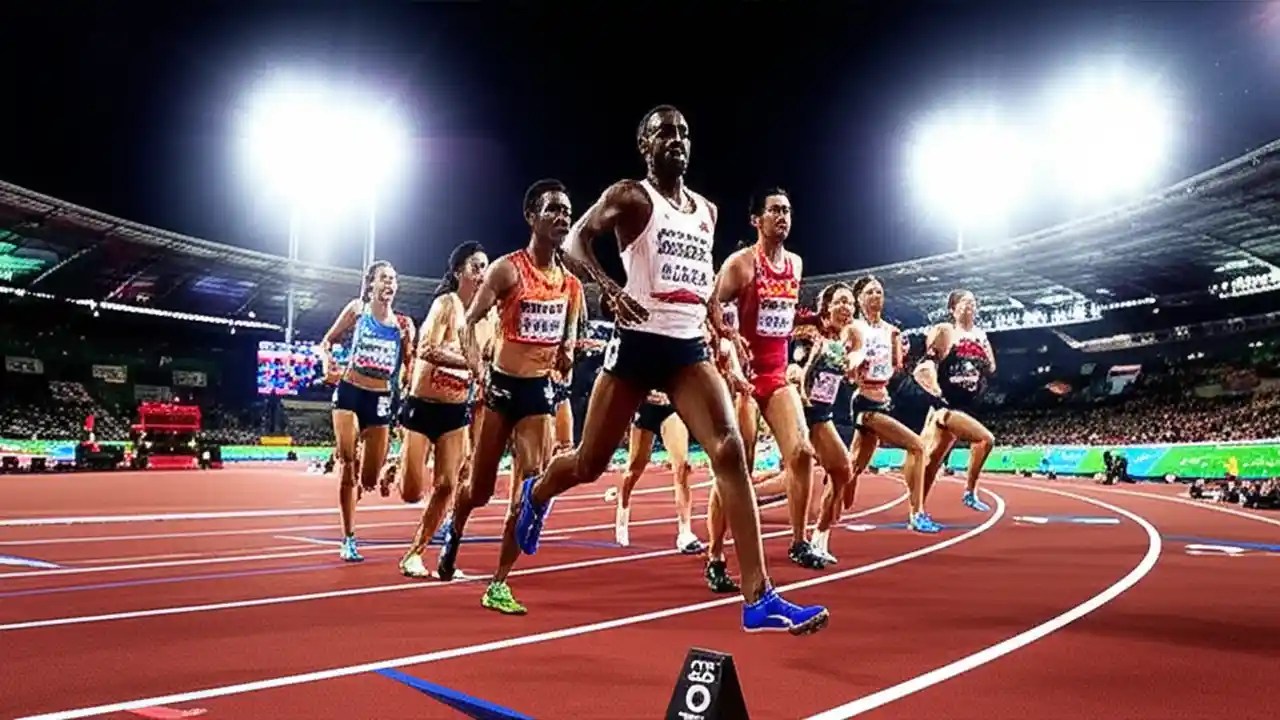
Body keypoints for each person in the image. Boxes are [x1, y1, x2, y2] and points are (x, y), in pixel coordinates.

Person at [512, 105, 828, 634]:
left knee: (729, 451)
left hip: (686, 350)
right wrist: (609, 289)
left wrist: (722, 333)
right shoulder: (631, 197)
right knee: (590, 462)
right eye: (664, 133)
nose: (676, 140)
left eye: (683, 132)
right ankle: (537, 492)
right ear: (645, 144)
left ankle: (759, 597)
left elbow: (702, 283)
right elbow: (574, 243)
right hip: (636, 346)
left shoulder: (706, 211)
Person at [437, 178, 584, 616]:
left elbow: (570, 343)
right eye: (553, 209)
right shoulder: (507, 269)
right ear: (531, 216)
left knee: (526, 495)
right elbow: (467, 323)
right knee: (480, 490)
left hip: (539, 393)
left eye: (567, 211)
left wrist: (567, 355)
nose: (562, 217)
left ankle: (499, 582)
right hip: (500, 388)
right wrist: (479, 370)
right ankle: (455, 526)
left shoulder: (571, 286)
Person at [712, 189, 848, 570]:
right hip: (740, 375)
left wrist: (806, 329)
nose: (783, 217)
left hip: (774, 374)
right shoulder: (740, 264)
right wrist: (729, 353)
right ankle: (716, 555)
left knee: (802, 453)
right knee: (737, 464)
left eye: (787, 210)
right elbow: (713, 310)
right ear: (756, 219)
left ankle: (799, 541)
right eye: (774, 211)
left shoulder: (796, 265)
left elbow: (782, 318)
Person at [395, 242, 489, 578]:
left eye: (485, 267)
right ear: (459, 271)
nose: (482, 274)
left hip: (455, 413)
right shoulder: (446, 305)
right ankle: (398, 463)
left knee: (449, 484)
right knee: (410, 492)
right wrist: (470, 363)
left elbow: (492, 361)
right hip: (422, 407)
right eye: (476, 267)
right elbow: (427, 348)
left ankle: (415, 553)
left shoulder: (488, 319)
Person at [320, 261, 416, 561]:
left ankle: (367, 483)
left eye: (394, 279)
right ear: (371, 284)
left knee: (370, 479)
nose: (390, 284)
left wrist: (406, 389)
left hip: (380, 399)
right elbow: (327, 341)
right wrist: (328, 365)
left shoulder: (403, 325)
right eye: (384, 278)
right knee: (348, 461)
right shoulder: (357, 310)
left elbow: (409, 366)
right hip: (349, 390)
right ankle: (348, 538)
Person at [844, 275, 938, 533]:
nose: (877, 297)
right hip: (864, 402)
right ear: (860, 298)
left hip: (884, 400)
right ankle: (917, 513)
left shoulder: (890, 331)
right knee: (918, 447)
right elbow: (846, 369)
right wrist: (853, 367)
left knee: (855, 465)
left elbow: (895, 369)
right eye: (871, 292)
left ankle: (832, 505)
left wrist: (900, 353)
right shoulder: (853, 328)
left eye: (880, 292)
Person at [910, 289, 996, 513]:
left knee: (933, 461)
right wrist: (934, 387)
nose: (970, 307)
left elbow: (992, 367)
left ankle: (917, 511)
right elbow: (928, 362)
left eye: (973, 303)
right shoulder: (946, 332)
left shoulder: (981, 335)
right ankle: (968, 492)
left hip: (969, 403)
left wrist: (980, 362)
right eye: (965, 303)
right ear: (952, 309)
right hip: (947, 405)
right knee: (986, 440)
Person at [615, 388, 704, 554]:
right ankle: (622, 510)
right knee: (635, 469)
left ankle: (685, 532)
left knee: (681, 466)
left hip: (670, 408)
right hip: (645, 408)